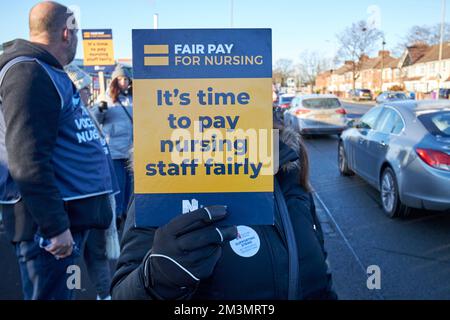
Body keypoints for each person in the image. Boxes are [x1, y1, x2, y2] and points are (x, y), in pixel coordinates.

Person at [111, 118, 337, 300]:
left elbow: (321, 274)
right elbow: (124, 290)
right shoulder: (165, 175)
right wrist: (156, 278)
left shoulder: (287, 164)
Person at [0, 1, 114, 300]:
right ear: (67, 32)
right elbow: (27, 159)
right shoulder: (29, 73)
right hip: (51, 232)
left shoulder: (46, 71)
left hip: (68, 223)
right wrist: (54, 228)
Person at [65, 63, 120, 301]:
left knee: (97, 253)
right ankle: (69, 294)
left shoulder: (86, 114)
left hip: (97, 198)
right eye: (85, 88)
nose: (90, 92)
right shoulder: (67, 116)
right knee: (71, 258)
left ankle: (104, 295)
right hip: (77, 201)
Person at [93, 65, 133, 228]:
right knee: (118, 186)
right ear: (115, 80)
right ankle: (116, 215)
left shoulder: (132, 97)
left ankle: (126, 214)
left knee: (130, 187)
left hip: (130, 149)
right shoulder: (106, 98)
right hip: (115, 148)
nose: (124, 82)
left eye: (126, 79)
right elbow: (95, 120)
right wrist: (100, 110)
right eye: (121, 79)